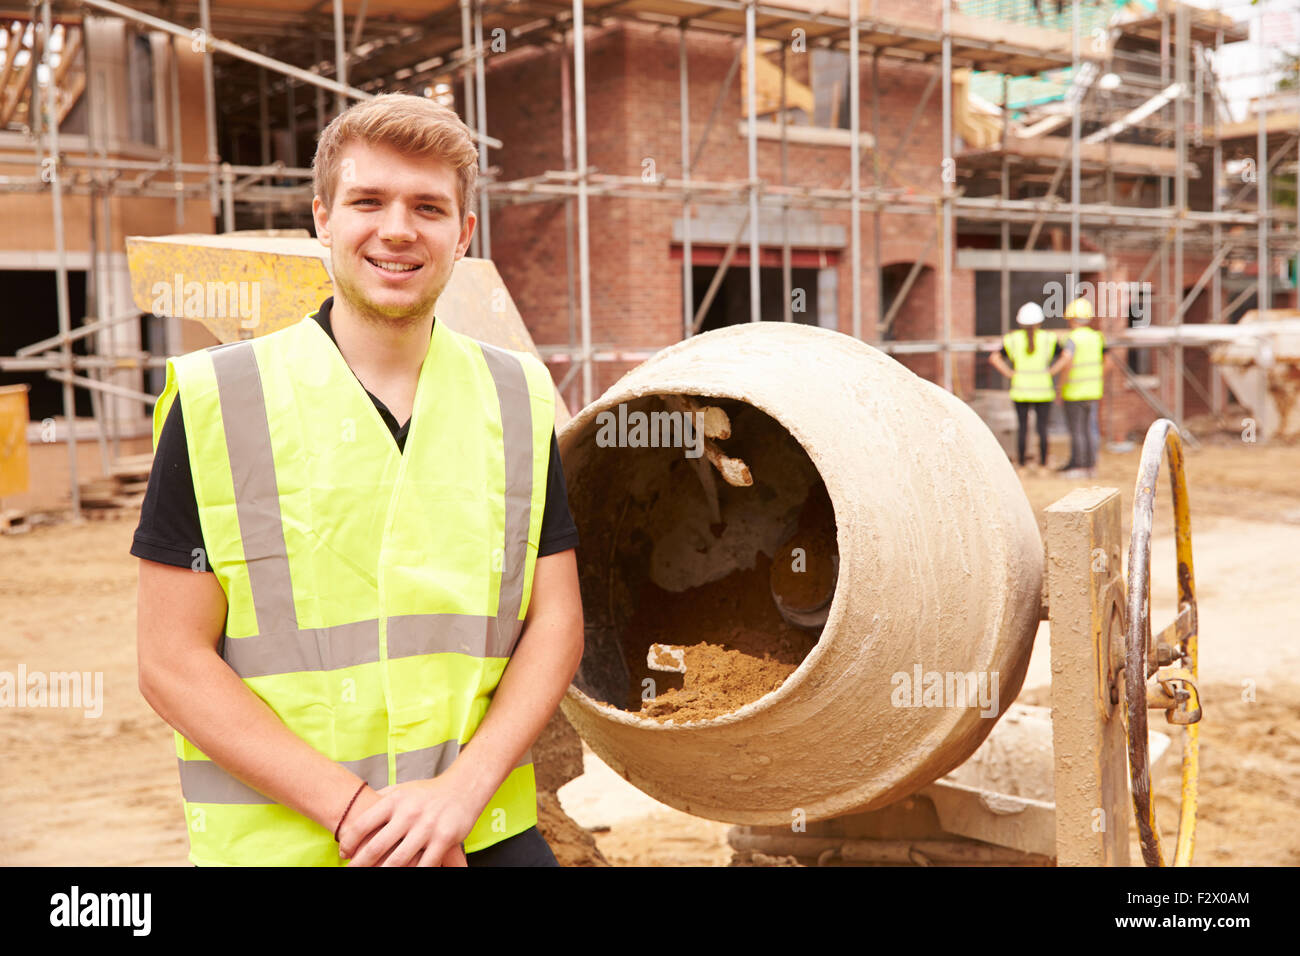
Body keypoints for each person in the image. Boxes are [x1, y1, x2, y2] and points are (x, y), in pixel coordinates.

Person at [132, 94, 585, 867]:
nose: (398, 229)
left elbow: (557, 622)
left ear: (464, 233)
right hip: (294, 845)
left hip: (477, 830)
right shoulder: (219, 401)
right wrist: (359, 817)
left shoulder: (518, 397)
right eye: (367, 201)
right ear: (323, 219)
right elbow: (171, 661)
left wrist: (458, 797)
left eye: (428, 207)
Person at [989, 302, 1071, 474]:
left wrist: (1009, 373)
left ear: (1020, 322)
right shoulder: (1048, 338)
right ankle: (1043, 465)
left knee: (1023, 428)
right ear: (1039, 322)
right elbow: (1066, 356)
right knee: (1042, 428)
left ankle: (1021, 465)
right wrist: (1052, 371)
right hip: (1043, 390)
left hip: (1021, 390)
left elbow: (994, 358)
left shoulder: (1013, 339)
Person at [1057, 295, 1109, 479]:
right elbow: (1108, 362)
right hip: (1093, 391)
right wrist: (1096, 378)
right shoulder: (1097, 337)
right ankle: (1091, 465)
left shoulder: (1071, 338)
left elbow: (1067, 363)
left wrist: (1060, 388)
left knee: (1077, 430)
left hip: (1074, 392)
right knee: (1091, 428)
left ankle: (1079, 466)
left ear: (1072, 318)